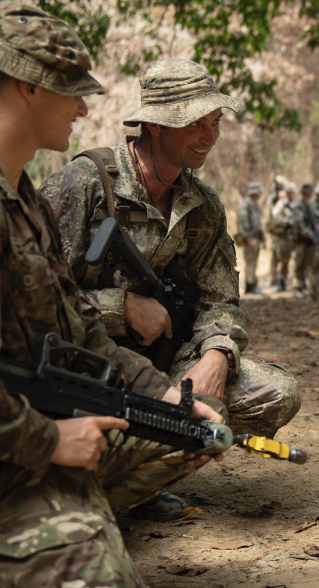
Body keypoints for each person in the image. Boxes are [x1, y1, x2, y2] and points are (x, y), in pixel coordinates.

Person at [0, 1, 224, 585]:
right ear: (25, 88)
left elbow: (74, 330)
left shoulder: (17, 193)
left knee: (187, 433)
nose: (83, 107)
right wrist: (50, 441)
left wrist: (162, 395)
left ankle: (70, 516)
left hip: (6, 438)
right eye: (71, 90)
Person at [40, 59, 301, 520]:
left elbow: (221, 299)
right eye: (194, 124)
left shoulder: (203, 206)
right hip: (83, 362)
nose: (210, 136)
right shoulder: (82, 185)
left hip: (165, 361)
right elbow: (32, 305)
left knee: (273, 391)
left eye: (215, 121)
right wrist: (120, 308)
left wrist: (217, 355)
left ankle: (137, 482)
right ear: (155, 125)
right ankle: (93, 489)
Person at [269, 180, 299, 291]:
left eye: (292, 192)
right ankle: (282, 281)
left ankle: (299, 281)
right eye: (288, 192)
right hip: (285, 237)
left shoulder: (298, 204)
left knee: (299, 260)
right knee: (284, 260)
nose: (290, 194)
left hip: (297, 237)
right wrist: (287, 221)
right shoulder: (281, 204)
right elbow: (275, 218)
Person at [294, 182, 319, 295]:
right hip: (302, 240)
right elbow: (299, 224)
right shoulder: (299, 206)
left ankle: (314, 287)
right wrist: (308, 233)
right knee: (300, 263)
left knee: (314, 262)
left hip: (312, 240)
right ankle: (299, 286)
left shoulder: (312, 205)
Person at [238, 182, 266, 294]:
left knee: (254, 262)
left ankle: (252, 284)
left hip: (256, 238)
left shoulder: (255, 206)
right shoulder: (245, 206)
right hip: (249, 240)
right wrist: (250, 239)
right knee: (250, 262)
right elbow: (243, 225)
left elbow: (258, 225)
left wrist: (263, 240)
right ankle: (251, 285)